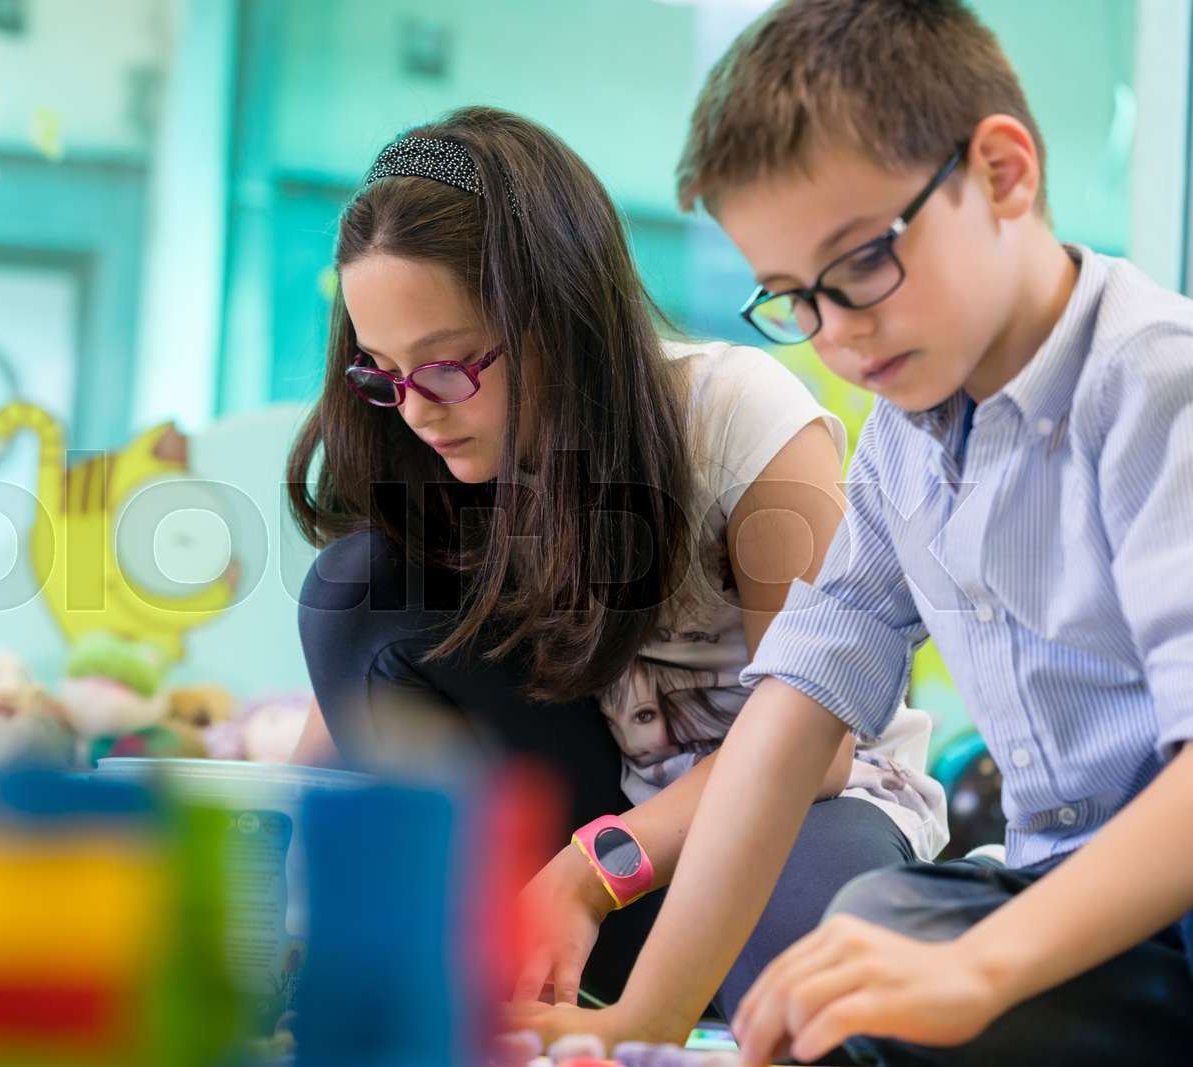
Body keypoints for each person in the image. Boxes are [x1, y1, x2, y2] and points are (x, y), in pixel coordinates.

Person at [514, 2, 1193, 1063]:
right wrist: (640, 1022)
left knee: (901, 953)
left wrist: (978, 965)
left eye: (861, 264)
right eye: (791, 300)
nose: (834, 332)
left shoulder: (1157, 384)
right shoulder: (906, 440)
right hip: (1068, 896)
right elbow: (786, 727)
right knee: (858, 942)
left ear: (1004, 174)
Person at [286, 104, 943, 1019]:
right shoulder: (442, 448)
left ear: (559, 319)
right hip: (596, 821)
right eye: (383, 374)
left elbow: (819, 751)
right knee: (351, 585)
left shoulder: (738, 414)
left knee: (805, 986)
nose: (418, 410)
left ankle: (638, 974)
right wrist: (283, 872)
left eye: (446, 364)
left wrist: (591, 875)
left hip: (799, 815)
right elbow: (356, 684)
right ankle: (518, 963)